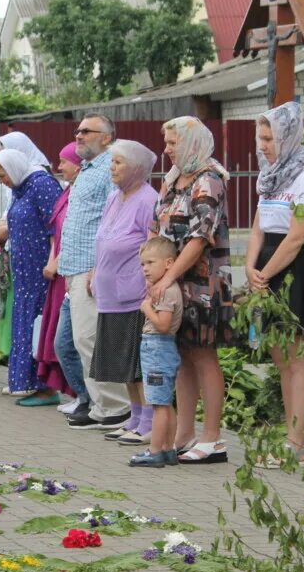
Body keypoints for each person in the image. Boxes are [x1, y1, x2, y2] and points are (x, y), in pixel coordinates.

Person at [151, 116, 232, 463]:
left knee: (203, 354)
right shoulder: (173, 180)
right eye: (167, 143)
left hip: (202, 282)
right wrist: (154, 271)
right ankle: (185, 432)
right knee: (182, 354)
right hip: (174, 281)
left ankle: (213, 438)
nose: (166, 150)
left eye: (173, 143)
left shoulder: (209, 179)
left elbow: (200, 238)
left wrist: (168, 278)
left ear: (193, 143)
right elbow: (157, 227)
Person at [246, 101, 304, 466]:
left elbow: (297, 237)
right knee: (280, 357)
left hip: (296, 268)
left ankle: (296, 444)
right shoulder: (269, 174)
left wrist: (266, 272)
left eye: (269, 138)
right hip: (267, 269)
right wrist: (251, 268)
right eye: (261, 138)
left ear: (288, 137)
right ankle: (290, 437)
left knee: (299, 359)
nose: (264, 146)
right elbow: (258, 227)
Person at [59, 114, 131, 430]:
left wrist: (97, 266)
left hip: (92, 269)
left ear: (106, 137)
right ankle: (101, 404)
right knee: (80, 340)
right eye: (77, 131)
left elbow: (112, 221)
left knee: (90, 338)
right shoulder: (88, 170)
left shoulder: (109, 169)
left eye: (86, 131)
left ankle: (117, 406)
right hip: (75, 269)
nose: (78, 136)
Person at [90, 140, 159, 446]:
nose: (112, 168)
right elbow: (103, 238)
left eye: (118, 162)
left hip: (132, 293)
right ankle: (134, 417)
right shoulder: (114, 198)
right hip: (109, 294)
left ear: (137, 168)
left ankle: (149, 423)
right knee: (123, 365)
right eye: (112, 162)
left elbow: (153, 245)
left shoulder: (148, 200)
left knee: (137, 364)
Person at [0, 149, 63, 404]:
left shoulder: (42, 184)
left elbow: (56, 225)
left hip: (40, 269)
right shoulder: (21, 187)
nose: (1, 180)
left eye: (2, 175)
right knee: (25, 323)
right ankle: (26, 382)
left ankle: (45, 387)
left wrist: (53, 259)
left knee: (37, 325)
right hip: (23, 271)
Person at [130, 237, 185, 468]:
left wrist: (146, 309)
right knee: (165, 402)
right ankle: (168, 448)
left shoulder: (165, 291)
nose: (145, 269)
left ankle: (155, 450)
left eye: (150, 263)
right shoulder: (166, 288)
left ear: (169, 263)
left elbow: (162, 325)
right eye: (143, 264)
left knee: (159, 404)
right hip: (159, 348)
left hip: (158, 347)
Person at [39, 143, 83, 408]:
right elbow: (58, 231)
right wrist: (51, 259)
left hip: (70, 269)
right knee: (62, 337)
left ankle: (83, 396)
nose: (59, 167)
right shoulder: (68, 191)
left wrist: (57, 261)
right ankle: (77, 394)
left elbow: (76, 233)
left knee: (70, 338)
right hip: (58, 271)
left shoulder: (81, 193)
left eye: (63, 161)